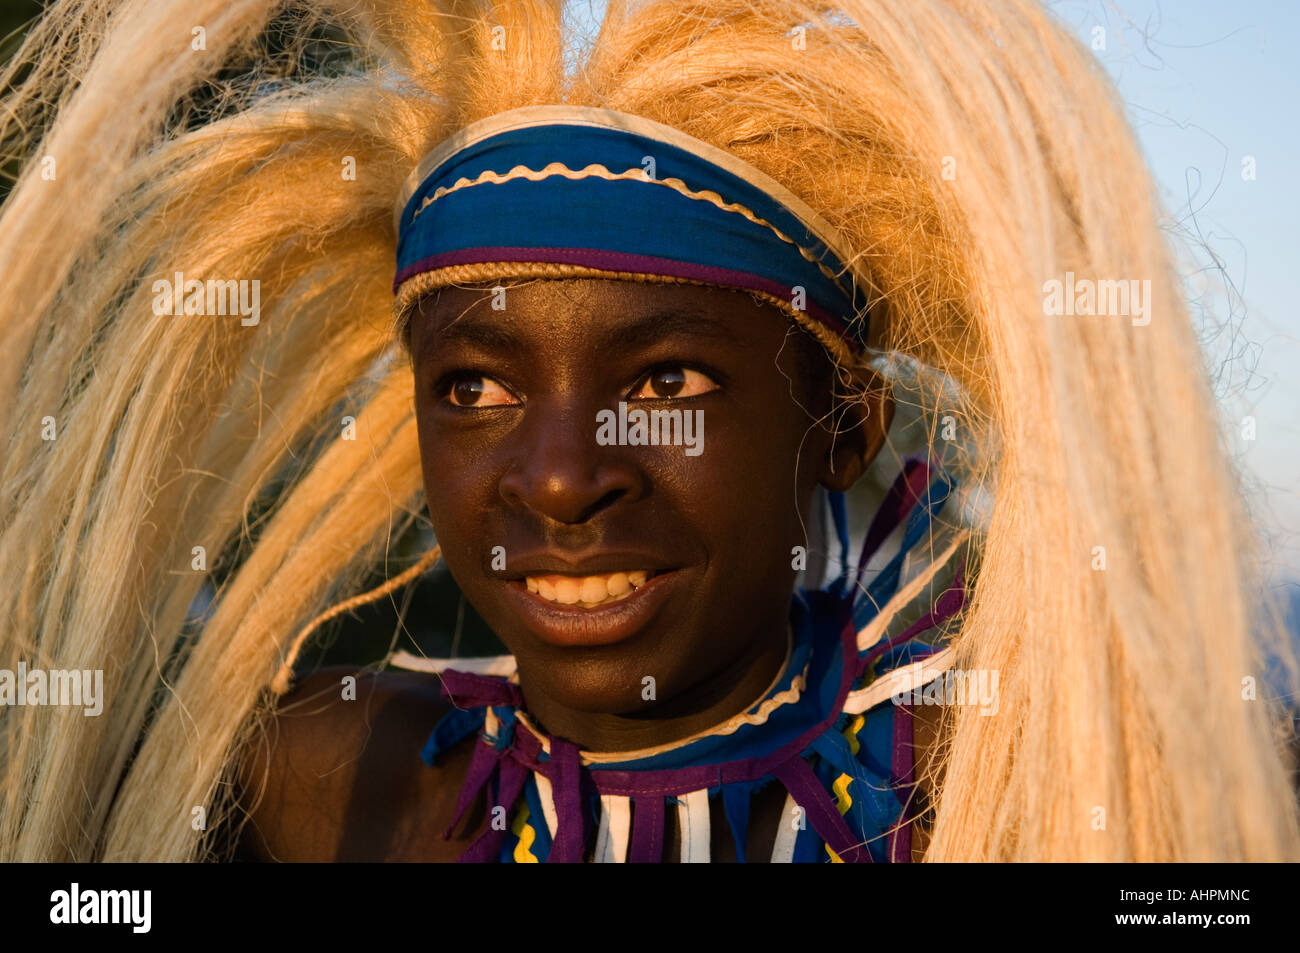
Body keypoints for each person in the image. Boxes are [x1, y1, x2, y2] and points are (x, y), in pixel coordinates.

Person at [0, 0, 1296, 863]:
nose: (561, 476)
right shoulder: (327, 779)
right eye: (476, 390)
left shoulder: (1016, 795)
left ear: (841, 423)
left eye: (670, 381)